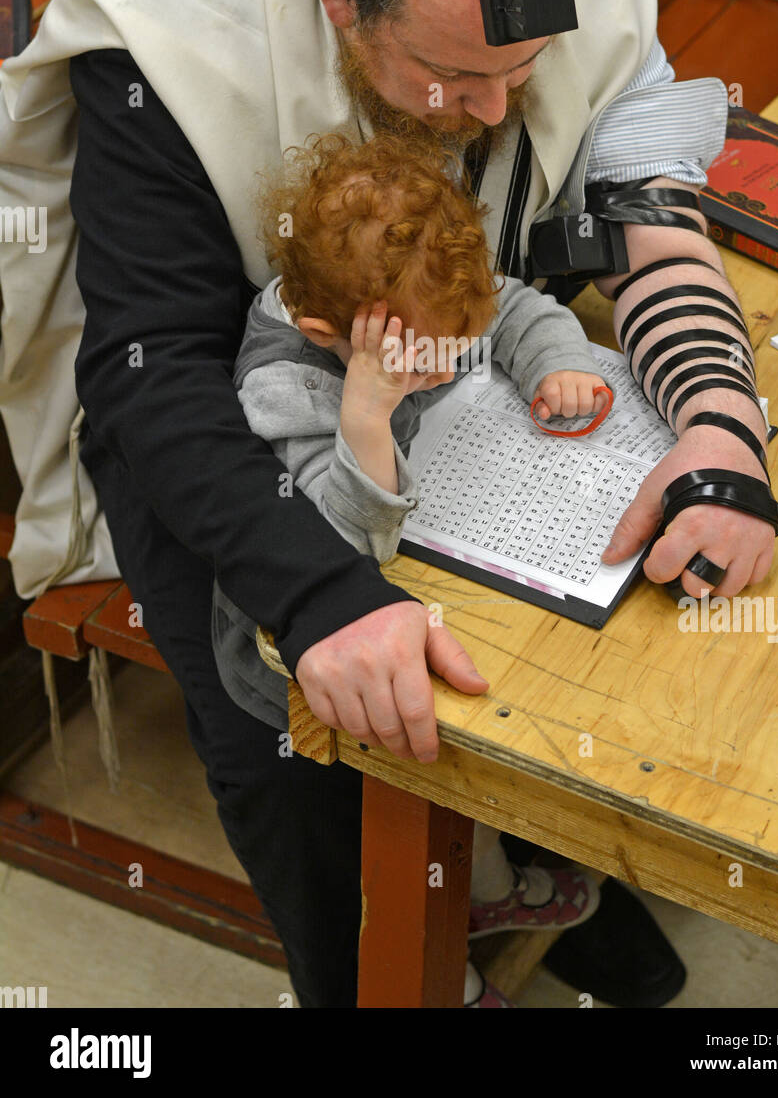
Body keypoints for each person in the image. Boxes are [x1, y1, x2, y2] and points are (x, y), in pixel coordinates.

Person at [0, 0, 778, 1008]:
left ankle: (524, 857)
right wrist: (322, 598)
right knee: (287, 703)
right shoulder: (164, 45)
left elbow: (655, 229)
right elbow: (146, 375)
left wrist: (725, 439)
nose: (490, 110)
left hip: (443, 342)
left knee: (595, 589)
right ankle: (360, 974)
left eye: (520, 72)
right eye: (449, 75)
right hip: (224, 390)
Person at [211, 129, 609, 1006]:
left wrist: (559, 362)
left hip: (427, 566)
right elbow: (331, 558)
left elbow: (511, 307)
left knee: (478, 720)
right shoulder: (285, 389)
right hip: (302, 655)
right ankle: (431, 975)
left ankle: (484, 890)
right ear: (329, 337)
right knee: (389, 803)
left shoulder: (416, 303)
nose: (453, 356)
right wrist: (364, 421)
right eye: (432, 354)